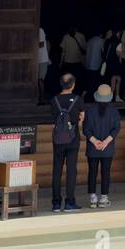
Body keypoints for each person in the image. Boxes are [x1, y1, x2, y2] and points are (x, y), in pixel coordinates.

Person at [83, 83, 122, 208]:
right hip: (108, 148)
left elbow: (86, 129)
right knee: (106, 172)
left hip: (92, 147)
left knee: (92, 172)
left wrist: (95, 142)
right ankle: (104, 198)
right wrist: (105, 142)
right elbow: (116, 129)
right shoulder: (114, 111)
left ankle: (93, 199)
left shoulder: (89, 110)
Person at [50, 73, 85, 211]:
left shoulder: (54, 100)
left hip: (58, 138)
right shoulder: (78, 99)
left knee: (57, 170)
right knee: (71, 170)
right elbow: (82, 117)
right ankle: (70, 202)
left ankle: (56, 203)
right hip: (73, 137)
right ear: (73, 84)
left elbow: (54, 118)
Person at [101, 37, 125, 103]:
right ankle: (114, 96)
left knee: (114, 79)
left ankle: (114, 96)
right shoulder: (118, 43)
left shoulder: (107, 42)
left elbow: (102, 51)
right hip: (116, 64)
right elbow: (121, 55)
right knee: (116, 79)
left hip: (110, 63)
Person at [37, 26, 50, 92]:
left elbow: (41, 44)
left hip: (42, 59)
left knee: (40, 79)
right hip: (37, 59)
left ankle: (42, 99)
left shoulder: (40, 30)